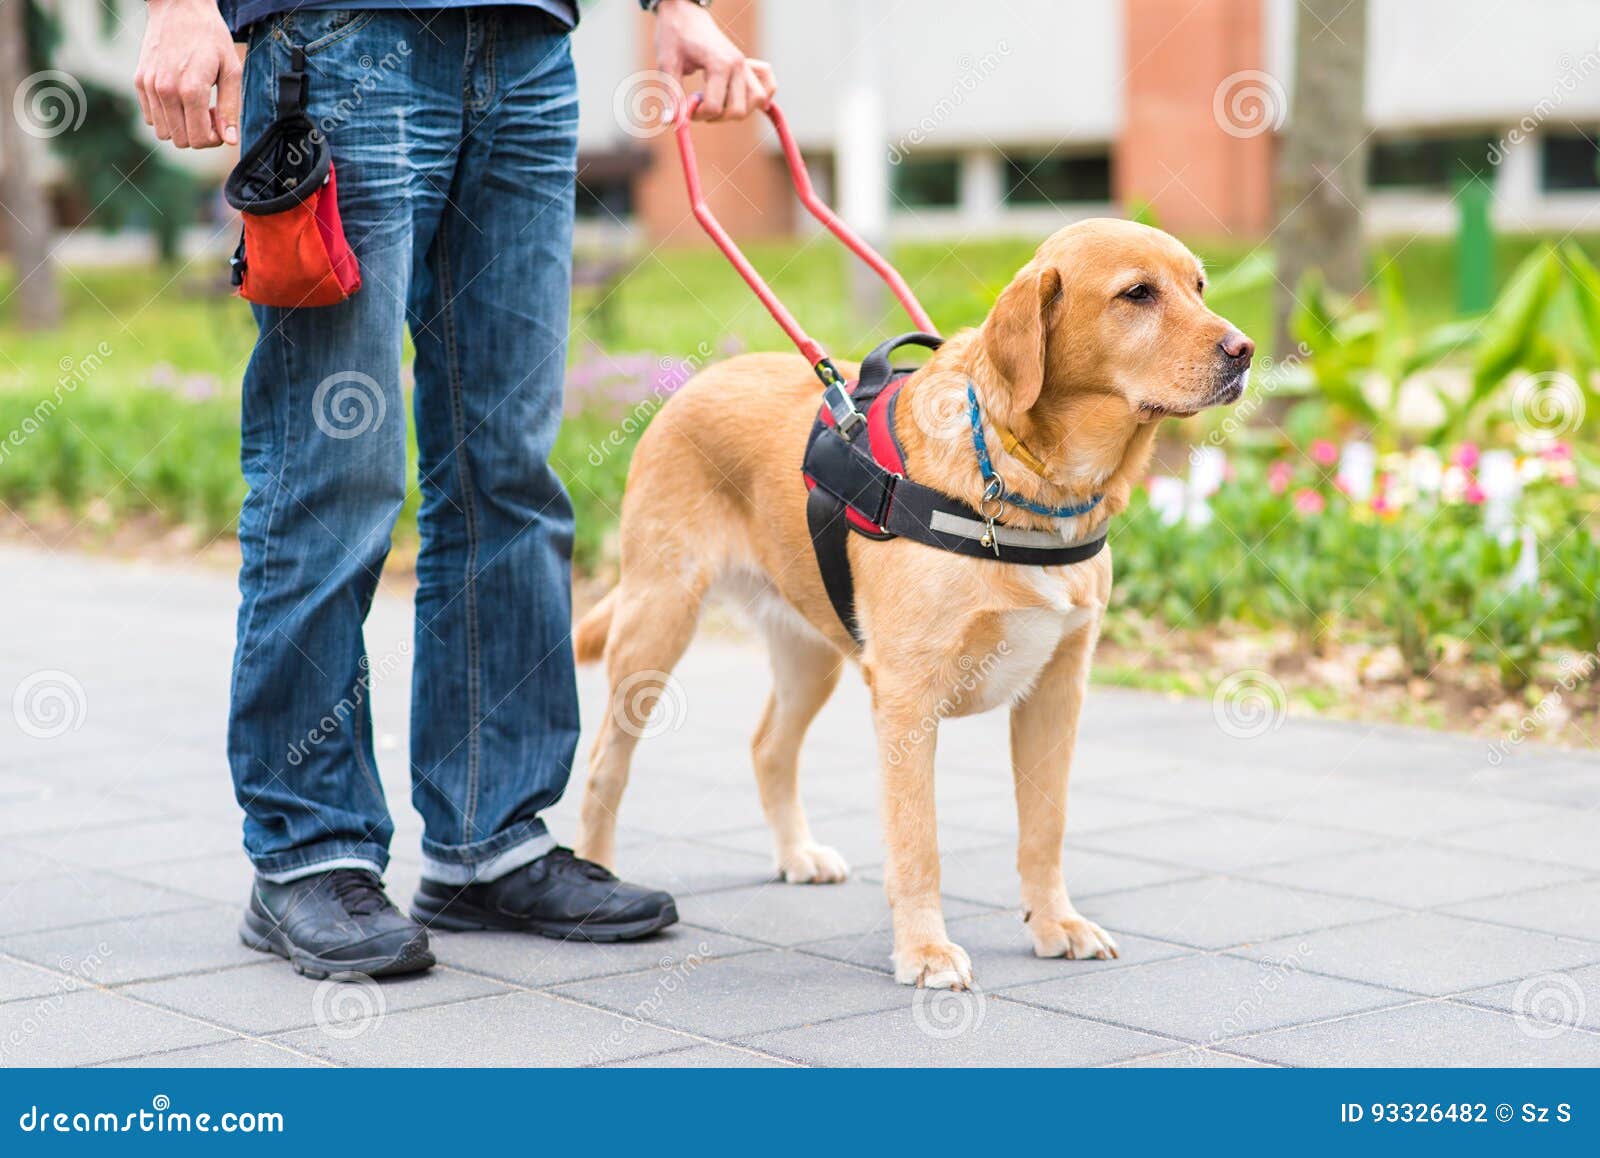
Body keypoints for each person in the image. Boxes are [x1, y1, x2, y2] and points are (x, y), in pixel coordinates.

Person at [133, 0, 775, 978]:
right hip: (341, 41)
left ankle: (491, 837)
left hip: (526, 47)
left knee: (507, 472)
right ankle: (309, 851)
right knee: (333, 473)